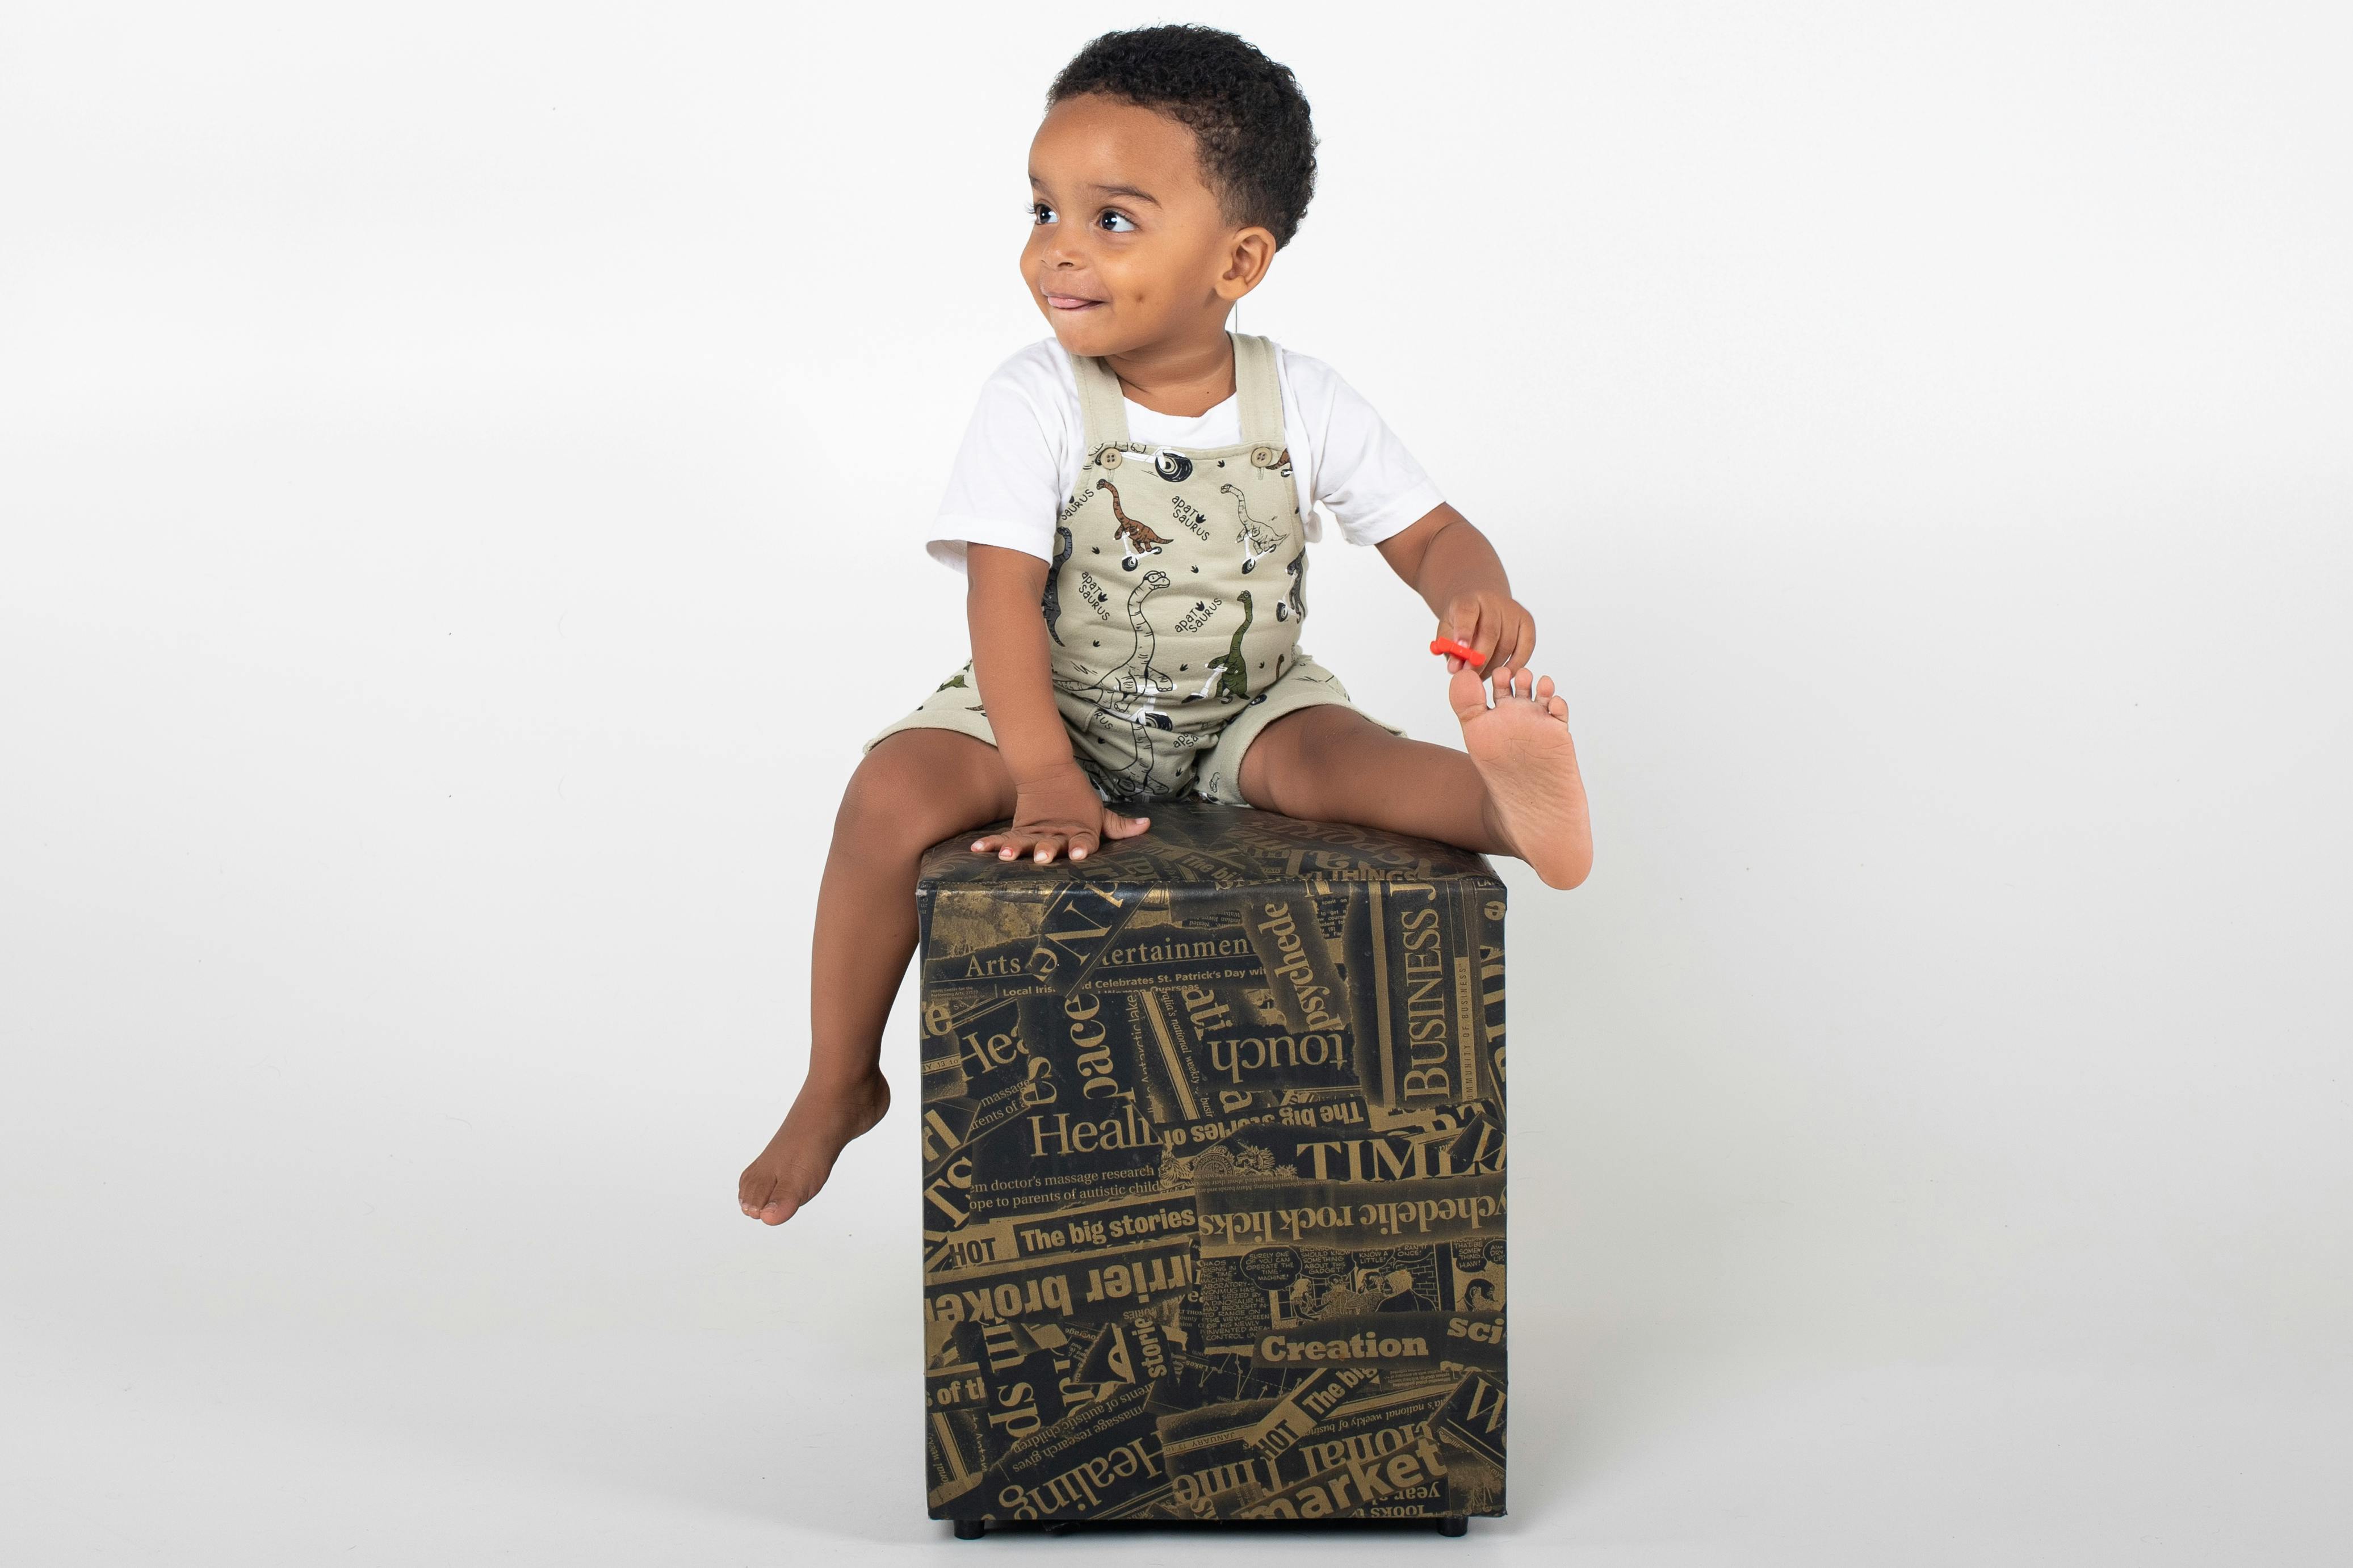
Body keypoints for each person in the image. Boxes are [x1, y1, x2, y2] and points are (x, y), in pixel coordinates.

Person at [740, 24, 1591, 1226]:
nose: (1057, 253)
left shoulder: (1303, 399)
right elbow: (1000, 597)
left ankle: (1508, 808)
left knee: (1350, 764)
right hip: (1052, 703)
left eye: (1113, 219)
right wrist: (1039, 771)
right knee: (890, 792)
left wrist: (1474, 592)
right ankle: (839, 1079)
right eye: (1042, 209)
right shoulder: (1035, 397)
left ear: (1238, 260)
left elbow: (1433, 532)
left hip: (1247, 700)